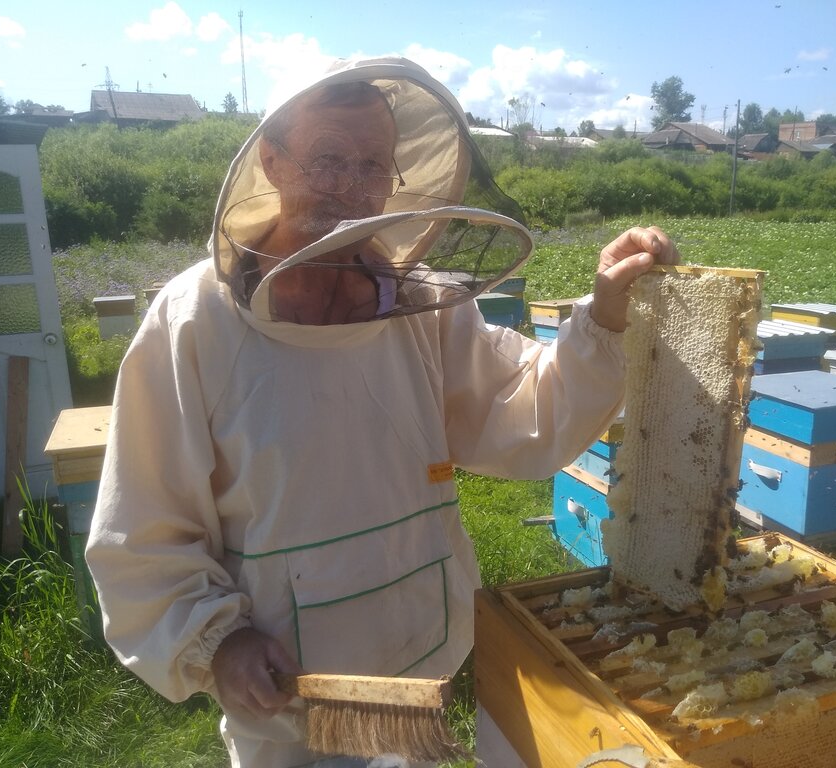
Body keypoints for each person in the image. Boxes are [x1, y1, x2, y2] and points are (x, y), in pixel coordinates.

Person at [85, 56, 679, 768]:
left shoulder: (418, 304)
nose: (353, 188)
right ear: (271, 162)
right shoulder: (193, 322)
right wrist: (218, 644)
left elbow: (522, 406)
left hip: (419, 666)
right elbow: (141, 530)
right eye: (329, 159)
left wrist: (605, 316)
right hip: (288, 702)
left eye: (373, 166)